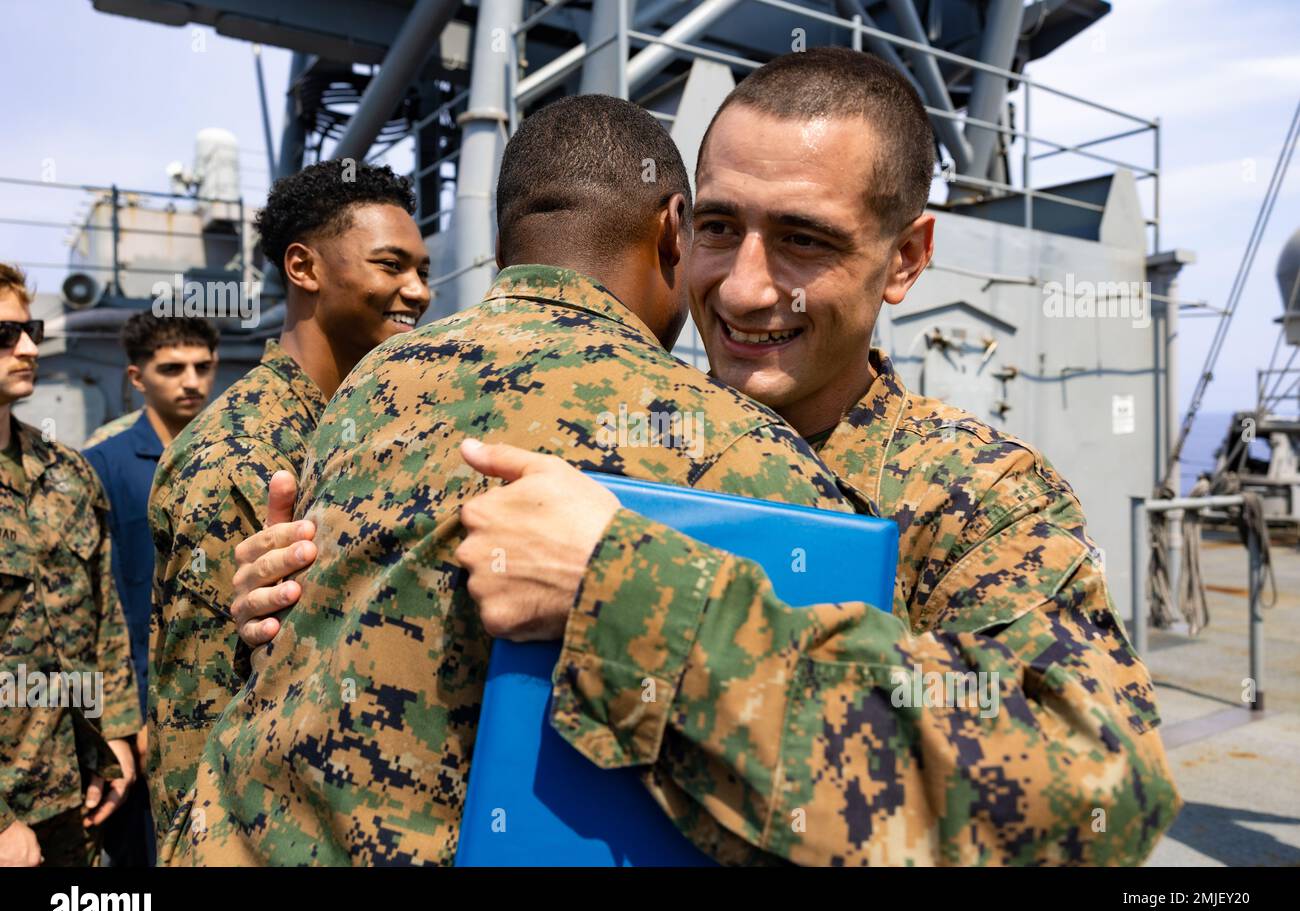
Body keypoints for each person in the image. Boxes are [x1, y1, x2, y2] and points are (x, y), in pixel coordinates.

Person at [235, 51, 1181, 865]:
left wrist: (626, 591)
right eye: (721, 229)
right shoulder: (597, 413)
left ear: (906, 258)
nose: (744, 285)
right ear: (679, 226)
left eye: (806, 240)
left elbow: (1097, 804)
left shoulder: (973, 498)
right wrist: (303, 606)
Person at [165, 93, 856, 866]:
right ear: (672, 230)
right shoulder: (744, 450)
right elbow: (838, 777)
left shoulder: (372, 382)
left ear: (502, 248)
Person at [145, 160, 430, 843]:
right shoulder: (234, 456)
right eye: (391, 266)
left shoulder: (358, 430)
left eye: (422, 269)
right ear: (303, 268)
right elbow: (196, 710)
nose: (418, 292)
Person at [0, 263, 141, 867]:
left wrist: (114, 733)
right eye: (5, 334)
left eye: (29, 328)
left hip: (71, 788)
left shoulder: (66, 471)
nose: (29, 346)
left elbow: (103, 616)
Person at [83, 312, 219, 865]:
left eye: (203, 366)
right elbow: (99, 605)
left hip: (216, 694)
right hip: (139, 703)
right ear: (137, 378)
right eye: (172, 368)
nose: (191, 381)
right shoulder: (101, 467)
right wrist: (127, 719)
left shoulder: (223, 454)